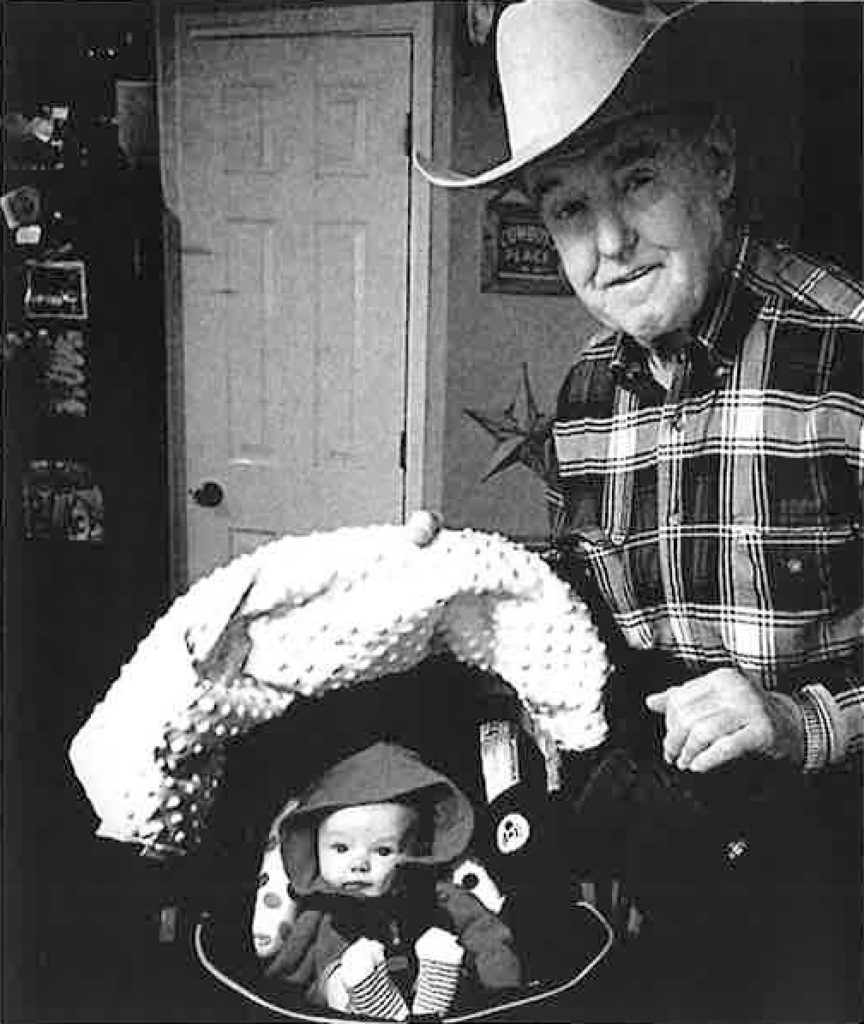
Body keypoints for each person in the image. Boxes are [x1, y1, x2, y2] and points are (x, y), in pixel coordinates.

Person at [416, 1, 863, 1019]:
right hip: (675, 870)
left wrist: (803, 721)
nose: (609, 242)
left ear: (716, 159)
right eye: (568, 208)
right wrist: (473, 585)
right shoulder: (582, 395)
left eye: (638, 177)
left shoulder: (851, 353)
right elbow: (594, 610)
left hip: (839, 876)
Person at [261, 741, 522, 1018]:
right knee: (337, 978)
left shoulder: (436, 895)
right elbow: (288, 970)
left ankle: (436, 984)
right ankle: (367, 996)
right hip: (344, 1005)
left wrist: (501, 989)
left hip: (427, 987)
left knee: (446, 950)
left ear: (413, 852)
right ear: (315, 847)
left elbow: (486, 935)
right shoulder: (319, 912)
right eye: (341, 848)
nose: (359, 864)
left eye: (383, 851)